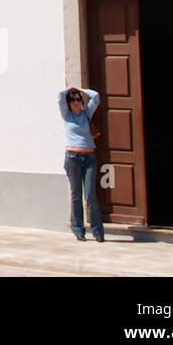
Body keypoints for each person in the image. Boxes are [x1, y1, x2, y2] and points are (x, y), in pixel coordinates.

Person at [59, 86, 103, 242]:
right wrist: (68, 90)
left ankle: (98, 232)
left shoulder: (86, 114)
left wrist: (81, 89)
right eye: (73, 100)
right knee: (76, 195)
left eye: (79, 100)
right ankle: (78, 230)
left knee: (90, 195)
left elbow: (96, 97)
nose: (76, 102)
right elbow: (59, 96)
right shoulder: (67, 116)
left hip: (89, 157)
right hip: (73, 157)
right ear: (69, 103)